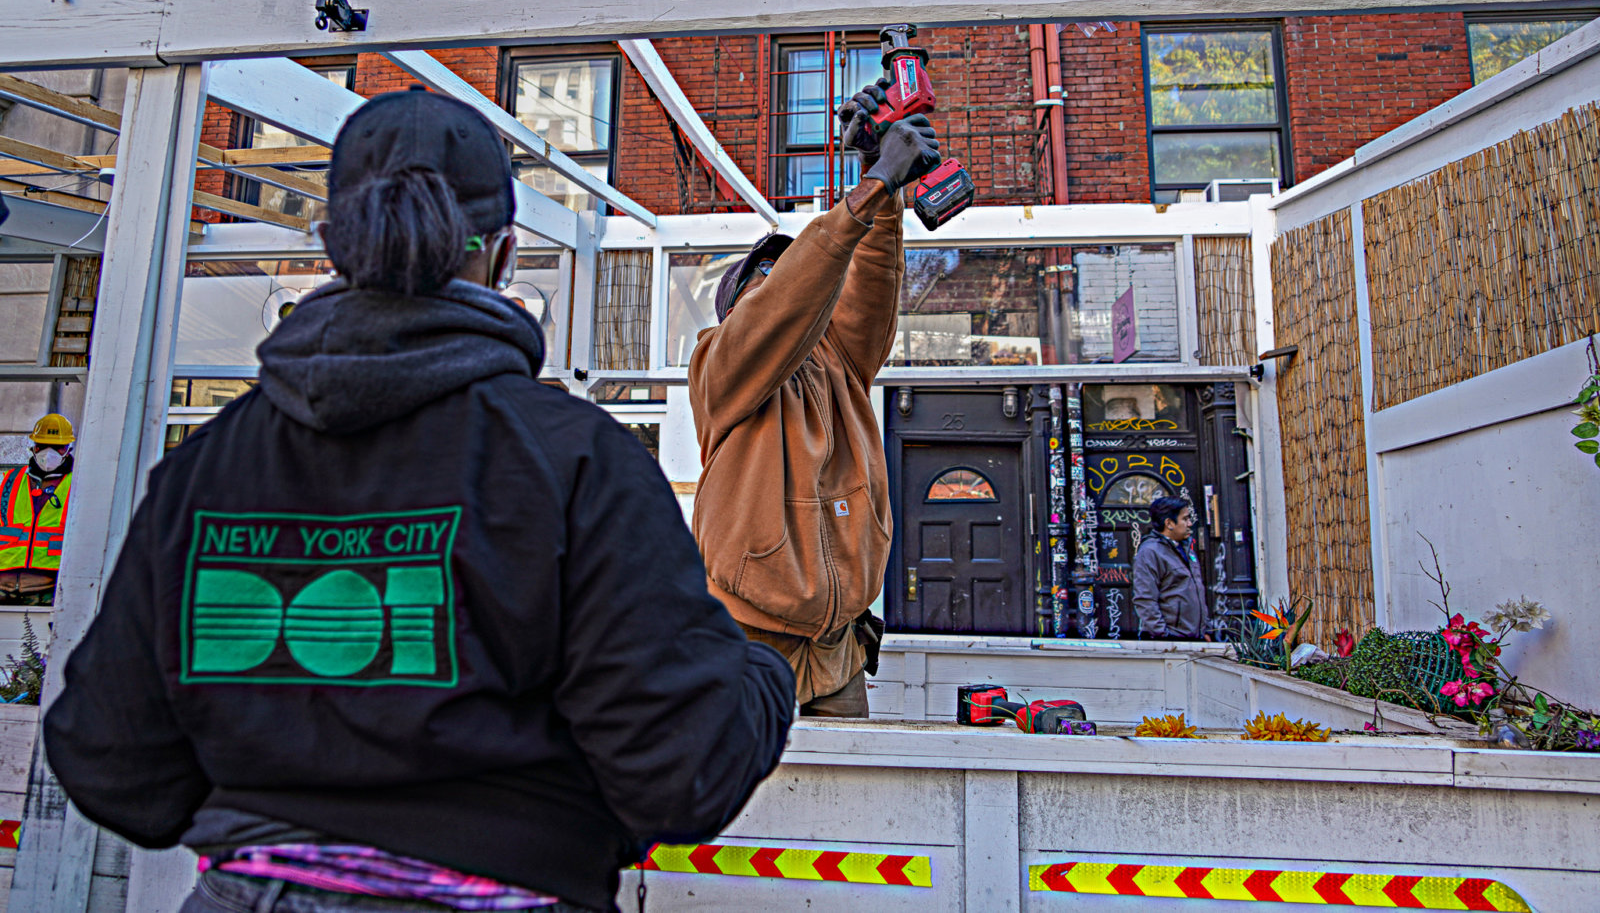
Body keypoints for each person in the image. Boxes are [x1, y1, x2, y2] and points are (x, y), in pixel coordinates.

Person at [43, 89, 795, 913]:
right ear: (506, 256)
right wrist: (763, 670)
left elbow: (110, 759)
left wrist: (280, 822)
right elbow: (683, 773)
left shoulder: (210, 467)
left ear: (331, 244)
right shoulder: (573, 460)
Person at [689, 84, 941, 718]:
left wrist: (880, 192)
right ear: (735, 302)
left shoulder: (836, 364)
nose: (785, 280)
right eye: (764, 274)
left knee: (848, 805)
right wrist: (871, 187)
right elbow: (787, 304)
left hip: (837, 647)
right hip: (745, 643)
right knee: (748, 811)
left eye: (791, 267)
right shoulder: (721, 361)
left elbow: (869, 287)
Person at [0, 413, 77, 600]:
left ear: (68, 448)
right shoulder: (11, 480)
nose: (48, 453)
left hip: (48, 587)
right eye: (42, 446)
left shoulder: (77, 483)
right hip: (3, 583)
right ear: (33, 447)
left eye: (58, 447)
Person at [1132, 495, 1210, 642]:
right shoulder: (1150, 552)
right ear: (1169, 523)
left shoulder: (1186, 548)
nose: (1190, 523)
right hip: (1171, 641)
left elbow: (1195, 590)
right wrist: (1163, 635)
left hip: (1193, 637)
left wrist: (1205, 630)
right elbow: (1145, 599)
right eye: (1185, 519)